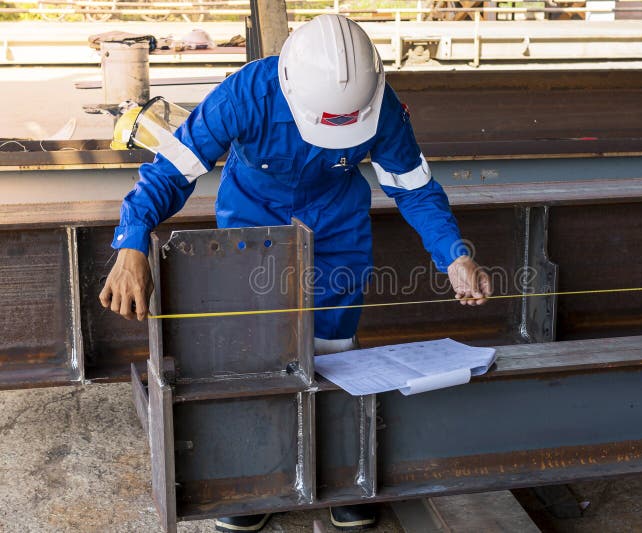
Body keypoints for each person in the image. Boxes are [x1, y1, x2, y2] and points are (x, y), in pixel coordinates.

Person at [99, 14, 492, 533]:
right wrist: (131, 243)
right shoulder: (245, 94)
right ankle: (251, 476)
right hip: (251, 223)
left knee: (334, 348)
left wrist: (454, 254)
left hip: (337, 225)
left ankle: (337, 471)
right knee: (251, 348)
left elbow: (414, 188)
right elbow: (170, 170)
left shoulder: (381, 104)